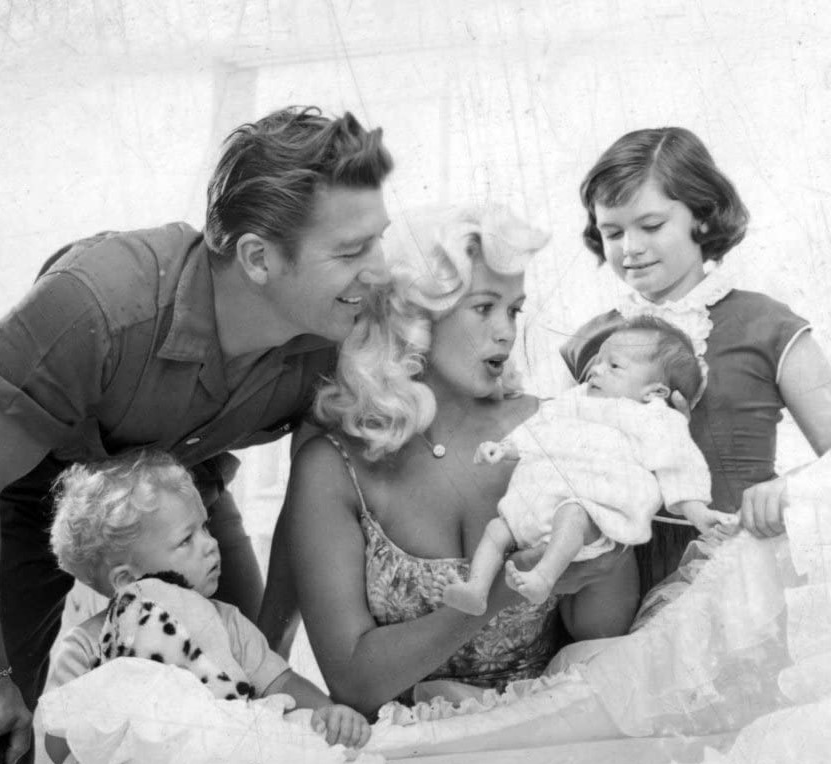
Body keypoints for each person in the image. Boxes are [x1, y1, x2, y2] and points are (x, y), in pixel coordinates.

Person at [0, 105, 392, 764]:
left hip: (180, 483)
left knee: (246, 728)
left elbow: (310, 510)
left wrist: (262, 660)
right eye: (352, 251)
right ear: (257, 258)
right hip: (21, 485)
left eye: (378, 240)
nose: (380, 271)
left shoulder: (342, 336)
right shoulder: (96, 304)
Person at [263, 205, 640, 716]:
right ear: (415, 317)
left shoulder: (553, 429)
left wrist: (609, 531)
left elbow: (602, 633)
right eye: (484, 308)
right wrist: (502, 593)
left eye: (514, 310)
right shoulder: (332, 467)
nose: (506, 332)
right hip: (402, 752)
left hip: (548, 736)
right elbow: (353, 682)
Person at [561, 127, 831, 594]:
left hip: (732, 579)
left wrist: (786, 490)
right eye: (613, 232)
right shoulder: (587, 342)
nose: (630, 248)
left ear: (703, 217)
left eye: (651, 226)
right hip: (609, 582)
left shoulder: (768, 325)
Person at [47, 452, 370, 751]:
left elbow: (280, 682)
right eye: (186, 540)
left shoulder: (228, 621)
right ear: (127, 580)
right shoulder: (85, 647)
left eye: (205, 527)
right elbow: (59, 746)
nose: (211, 544)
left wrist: (327, 712)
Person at [441, 317, 736, 616]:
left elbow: (677, 463)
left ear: (655, 392)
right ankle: (475, 590)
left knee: (573, 514)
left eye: (614, 366)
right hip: (533, 505)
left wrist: (697, 512)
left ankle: (543, 576)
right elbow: (540, 427)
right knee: (496, 530)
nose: (596, 369)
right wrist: (506, 447)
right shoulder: (574, 400)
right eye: (598, 361)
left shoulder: (653, 418)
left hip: (593, 514)